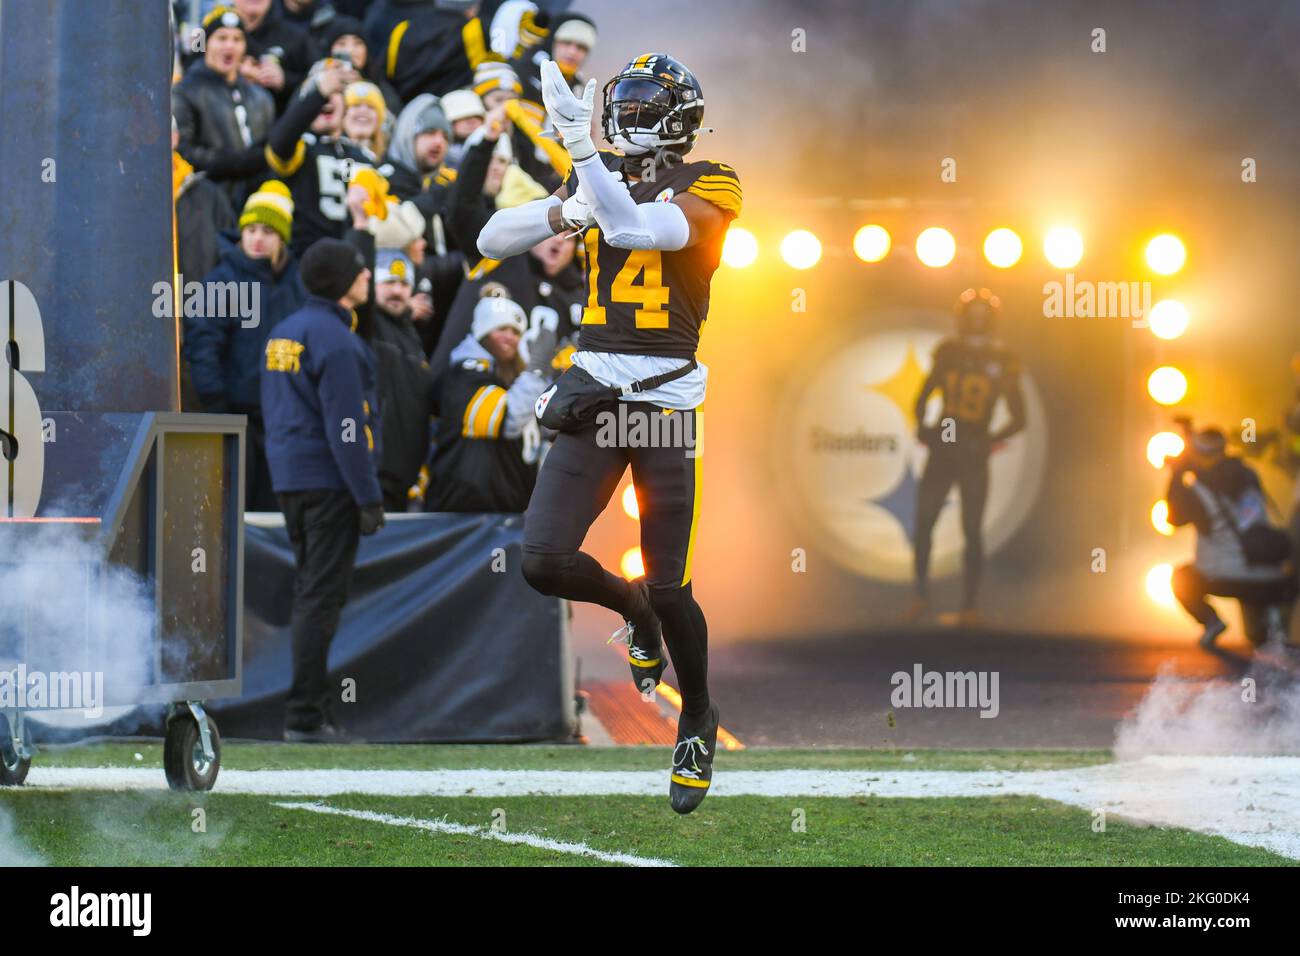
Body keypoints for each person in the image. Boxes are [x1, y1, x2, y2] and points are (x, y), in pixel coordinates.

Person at [477, 56, 741, 814]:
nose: (627, 116)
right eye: (621, 103)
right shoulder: (596, 176)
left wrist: (582, 156)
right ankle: (633, 611)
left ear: (680, 116)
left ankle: (696, 714)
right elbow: (493, 237)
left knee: (672, 581)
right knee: (543, 561)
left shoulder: (713, 181)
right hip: (595, 390)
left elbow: (632, 226)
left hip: (662, 403)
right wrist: (567, 207)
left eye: (644, 105)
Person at [261, 237, 385, 742]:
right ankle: (305, 715)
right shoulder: (337, 341)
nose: (368, 275)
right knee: (321, 599)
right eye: (359, 269)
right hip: (330, 482)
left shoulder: (283, 332)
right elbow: (346, 428)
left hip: (289, 478)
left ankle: (312, 709)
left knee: (310, 594)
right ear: (340, 281)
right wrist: (367, 494)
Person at [908, 288, 1026, 626]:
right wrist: (926, 429)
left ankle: (968, 606)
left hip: (967, 448)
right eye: (972, 317)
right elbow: (922, 397)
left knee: (970, 529)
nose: (975, 323)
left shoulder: (1001, 359)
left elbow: (1019, 417)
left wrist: (987, 440)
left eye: (980, 317)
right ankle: (921, 597)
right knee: (926, 521)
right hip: (950, 444)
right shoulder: (951, 352)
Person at [184, 181, 305, 509]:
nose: (257, 238)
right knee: (234, 510)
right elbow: (202, 346)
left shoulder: (297, 284)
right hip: (236, 418)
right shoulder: (221, 281)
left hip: (286, 420)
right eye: (250, 229)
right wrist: (217, 406)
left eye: (267, 231)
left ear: (282, 238)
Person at [1167, 426, 1297, 649]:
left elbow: (1174, 518)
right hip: (1268, 575)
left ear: (1198, 454)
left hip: (1223, 577)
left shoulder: (1198, 487)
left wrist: (1177, 473)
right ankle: (1273, 616)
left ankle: (1211, 622)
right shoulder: (1248, 474)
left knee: (1181, 577)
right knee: (1257, 637)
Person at [425, 295, 556, 512]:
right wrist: (537, 369)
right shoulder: (464, 374)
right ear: (483, 331)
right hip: (463, 512)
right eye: (501, 328)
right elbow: (507, 418)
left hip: (505, 508)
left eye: (516, 332)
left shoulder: (510, 378)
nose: (509, 337)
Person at [264, 58, 386, 257]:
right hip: (307, 259)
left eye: (335, 92)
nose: (327, 98)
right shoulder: (301, 147)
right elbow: (279, 143)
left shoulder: (361, 155)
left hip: (353, 261)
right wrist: (319, 92)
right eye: (319, 92)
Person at [172, 6, 277, 203]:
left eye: (237, 39)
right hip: (208, 203)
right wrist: (235, 163)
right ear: (206, 43)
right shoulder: (185, 92)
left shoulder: (261, 97)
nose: (230, 46)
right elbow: (182, 151)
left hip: (256, 203)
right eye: (221, 38)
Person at [370, 249, 435, 510]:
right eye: (388, 282)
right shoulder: (367, 324)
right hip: (374, 472)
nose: (397, 291)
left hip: (405, 476)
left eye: (404, 284)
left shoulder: (411, 335)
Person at [233, 0, 318, 113]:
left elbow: (318, 82)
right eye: (222, 38)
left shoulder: (295, 37)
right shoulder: (212, 30)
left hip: (280, 117)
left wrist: (285, 80)